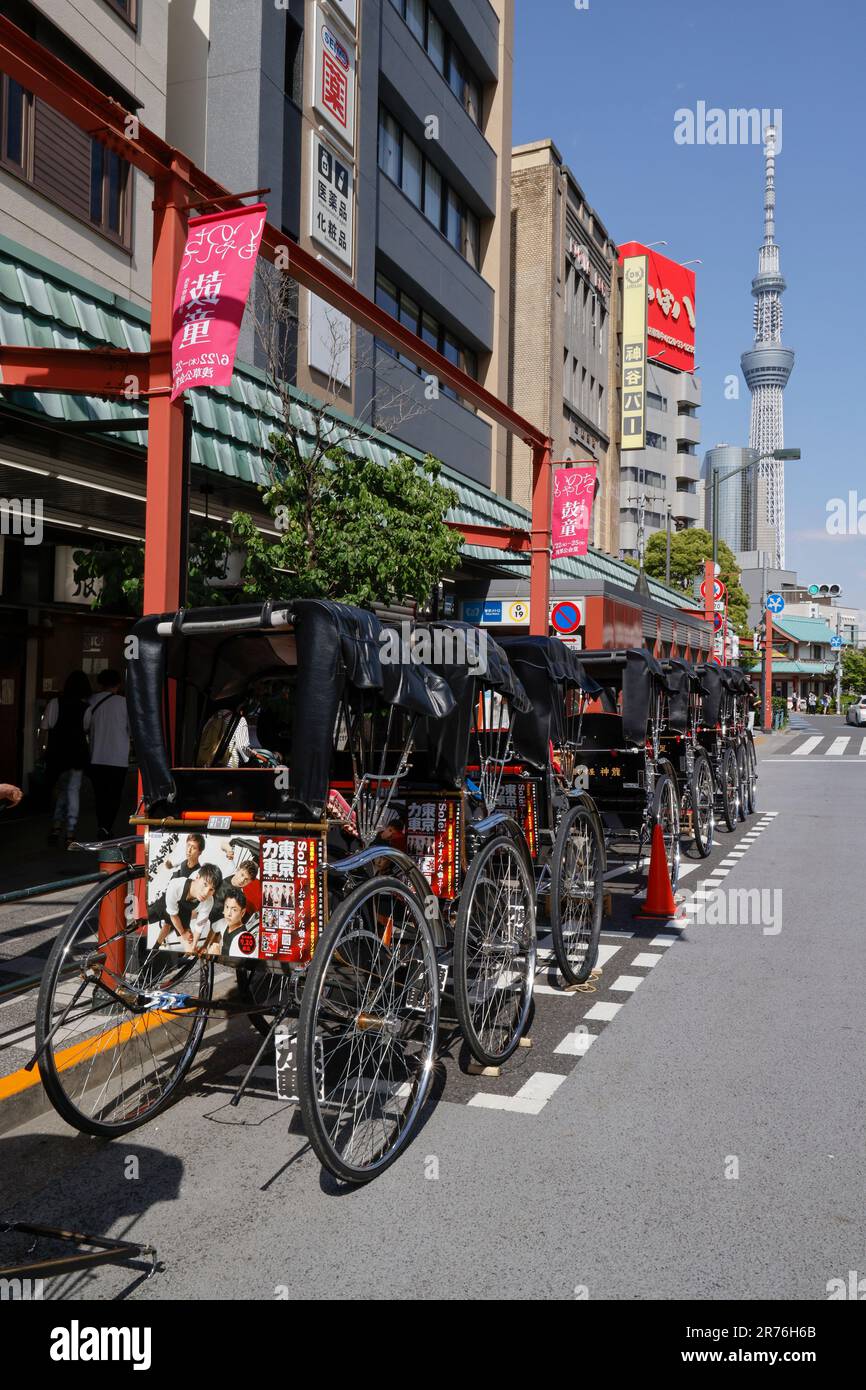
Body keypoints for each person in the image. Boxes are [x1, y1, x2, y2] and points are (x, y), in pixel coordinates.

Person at [40, 670, 91, 847]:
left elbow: (45, 727)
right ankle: (70, 832)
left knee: (62, 790)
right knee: (73, 790)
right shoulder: (86, 707)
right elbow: (86, 730)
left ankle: (56, 826)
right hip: (77, 754)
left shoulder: (55, 703)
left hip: (58, 753)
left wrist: (42, 751)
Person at [84, 669, 130, 840]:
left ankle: (102, 825)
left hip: (96, 757)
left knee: (100, 796)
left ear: (100, 683)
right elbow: (132, 731)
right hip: (118, 759)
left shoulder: (91, 702)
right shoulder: (125, 704)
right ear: (118, 684)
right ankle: (106, 827)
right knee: (114, 796)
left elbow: (85, 725)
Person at [150, 862, 223, 953]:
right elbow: (173, 915)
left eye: (211, 889)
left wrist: (194, 944)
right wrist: (182, 933)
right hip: (166, 903)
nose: (205, 893)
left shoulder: (209, 901)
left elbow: (199, 925)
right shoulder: (176, 885)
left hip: (184, 912)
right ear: (197, 877)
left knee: (190, 949)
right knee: (147, 917)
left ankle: (155, 947)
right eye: (205, 884)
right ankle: (156, 946)